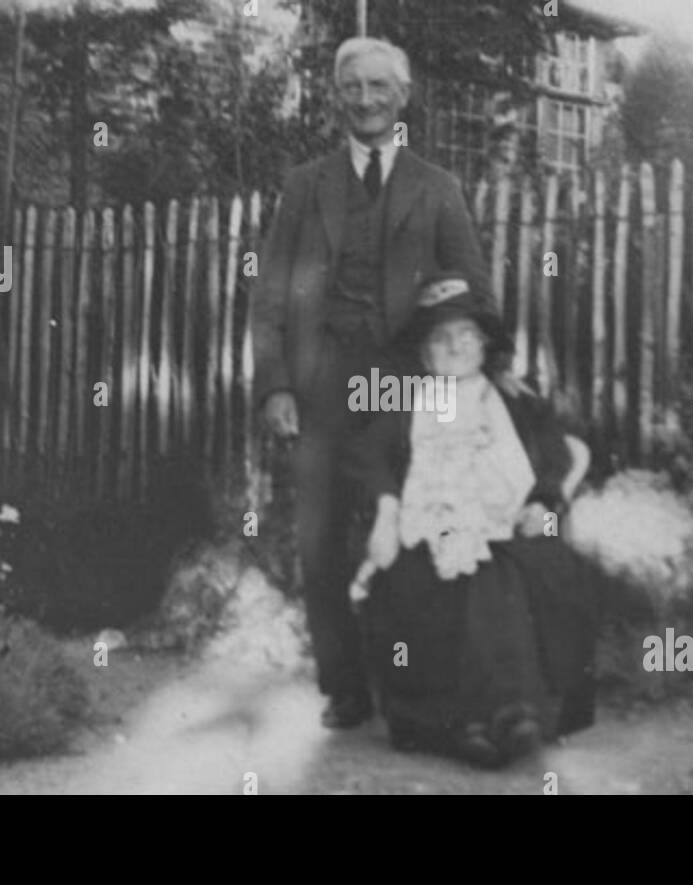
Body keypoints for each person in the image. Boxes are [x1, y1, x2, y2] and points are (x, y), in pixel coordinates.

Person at [251, 37, 494, 729]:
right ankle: (345, 687)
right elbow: (269, 296)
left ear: (402, 96)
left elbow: (475, 291)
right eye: (351, 87)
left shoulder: (436, 187)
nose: (364, 99)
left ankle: (415, 683)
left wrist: (455, 369)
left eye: (377, 87)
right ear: (336, 97)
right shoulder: (305, 186)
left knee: (416, 526)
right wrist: (275, 387)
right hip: (321, 379)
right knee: (321, 537)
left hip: (409, 386)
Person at [342, 271, 600, 769]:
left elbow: (557, 456)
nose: (455, 346)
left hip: (510, 525)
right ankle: (462, 724)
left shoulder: (515, 400)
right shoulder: (404, 403)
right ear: (423, 352)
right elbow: (366, 457)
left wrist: (544, 504)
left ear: (483, 344)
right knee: (436, 576)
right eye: (440, 337)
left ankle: (509, 716)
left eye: (465, 335)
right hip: (427, 529)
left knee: (511, 571)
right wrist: (389, 505)